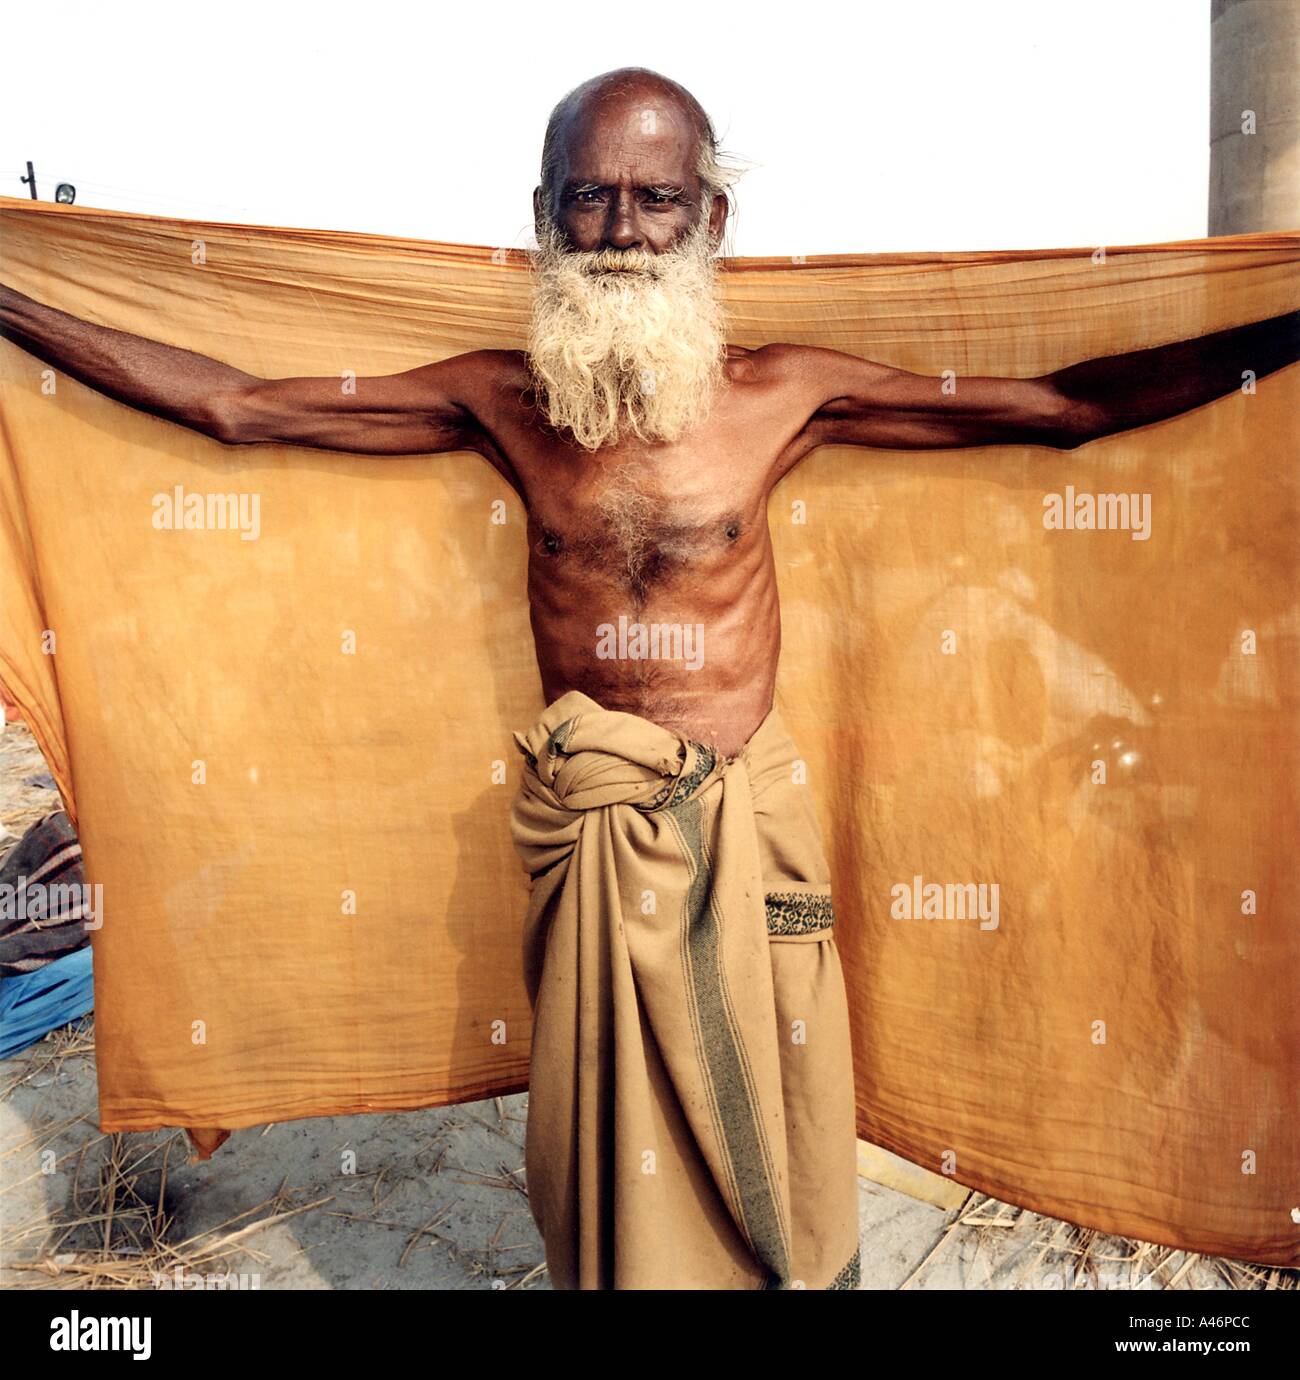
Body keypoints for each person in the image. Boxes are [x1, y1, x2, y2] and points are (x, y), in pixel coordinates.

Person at [2, 67, 1296, 1290]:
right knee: (596, 1132)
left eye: (655, 197)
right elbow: (235, 407)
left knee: (774, 1121)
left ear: (710, 217)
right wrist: (17, 307)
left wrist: (1281, 333)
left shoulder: (786, 395)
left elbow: (1060, 407)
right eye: (590, 194)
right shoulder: (502, 400)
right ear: (545, 213)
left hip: (741, 819)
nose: (621, 227)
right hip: (593, 830)